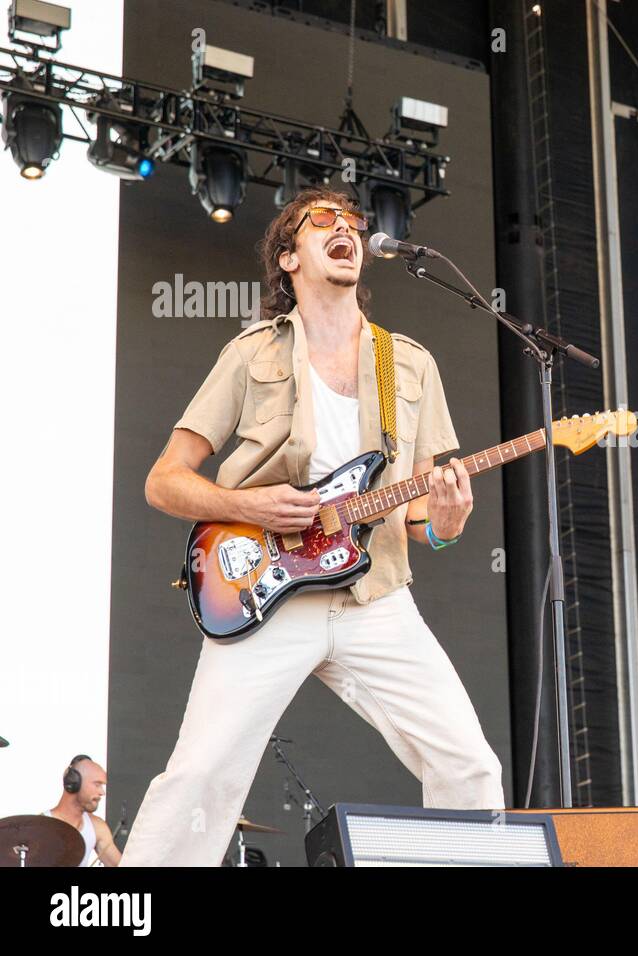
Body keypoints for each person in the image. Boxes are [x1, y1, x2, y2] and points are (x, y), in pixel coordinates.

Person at [120, 187, 503, 866]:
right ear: (289, 256)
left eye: (354, 222)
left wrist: (444, 522)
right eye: (322, 221)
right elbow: (164, 480)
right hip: (267, 594)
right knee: (200, 777)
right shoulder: (250, 354)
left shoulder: (407, 363)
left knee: (470, 767)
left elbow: (421, 520)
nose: (346, 229)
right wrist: (250, 507)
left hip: (375, 597)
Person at [45, 755, 121, 866]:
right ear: (74, 783)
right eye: (97, 784)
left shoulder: (97, 827)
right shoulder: (42, 827)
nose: (102, 792)